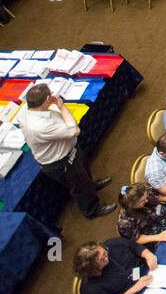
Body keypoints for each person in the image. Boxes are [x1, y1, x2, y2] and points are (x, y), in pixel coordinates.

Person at [19, 82, 115, 218]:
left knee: (83, 173)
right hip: (61, 161)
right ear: (47, 99)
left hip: (70, 151)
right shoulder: (41, 126)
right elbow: (75, 130)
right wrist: (61, 106)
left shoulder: (26, 111)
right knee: (79, 186)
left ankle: (91, 185)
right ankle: (92, 209)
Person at [73, 239, 155, 294]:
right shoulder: (91, 289)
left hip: (148, 272)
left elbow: (133, 245)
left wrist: (147, 254)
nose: (106, 257)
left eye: (105, 253)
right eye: (102, 259)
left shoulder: (111, 244)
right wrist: (134, 289)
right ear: (93, 268)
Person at [116, 182, 166, 251]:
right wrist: (158, 237)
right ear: (131, 205)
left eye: (146, 197)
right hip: (154, 236)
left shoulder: (143, 191)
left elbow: (155, 197)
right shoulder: (125, 222)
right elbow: (137, 239)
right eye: (142, 201)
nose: (147, 200)